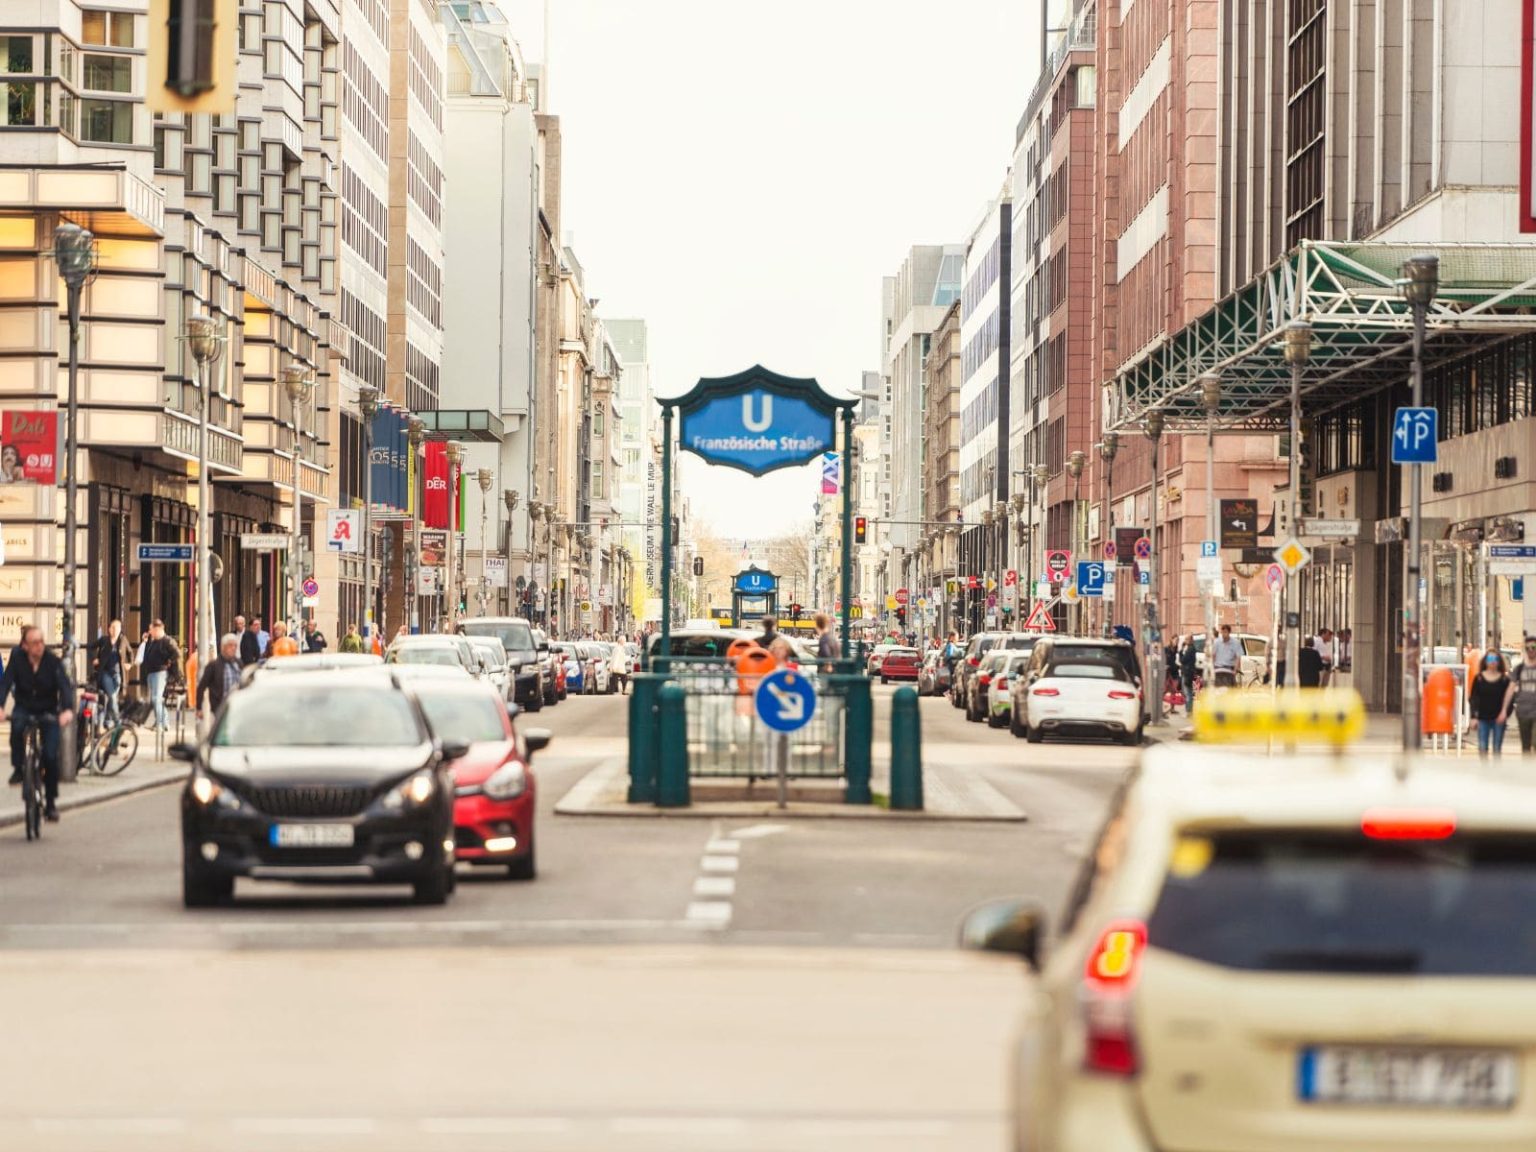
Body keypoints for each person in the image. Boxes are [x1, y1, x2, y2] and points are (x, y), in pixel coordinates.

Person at [1, 626, 76, 822]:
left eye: (41, 641)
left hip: (48, 711)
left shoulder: (52, 661)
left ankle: (50, 804)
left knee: (50, 757)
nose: (39, 646)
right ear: (25, 646)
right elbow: (5, 683)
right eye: (34, 643)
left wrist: (67, 709)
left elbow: (64, 686)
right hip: (24, 707)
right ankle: (19, 768)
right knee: (16, 727)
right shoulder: (17, 659)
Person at [1470, 650, 1517, 758]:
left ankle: (1496, 772)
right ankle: (1484, 771)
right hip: (1482, 718)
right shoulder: (1479, 678)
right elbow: (1474, 698)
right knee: (1482, 747)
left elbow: (1510, 700)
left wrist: (1505, 714)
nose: (1492, 662)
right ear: (1485, 661)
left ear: (1499, 662)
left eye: (1495, 659)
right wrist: (1474, 717)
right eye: (1490, 659)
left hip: (1498, 719)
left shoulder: (1505, 680)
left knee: (1497, 748)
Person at [91, 618, 134, 727]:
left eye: (118, 628)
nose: (115, 630)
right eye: (113, 627)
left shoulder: (123, 640)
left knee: (112, 697)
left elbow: (130, 652)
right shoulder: (104, 640)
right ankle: (117, 721)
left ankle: (107, 721)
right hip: (105, 673)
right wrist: (95, 659)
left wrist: (130, 663)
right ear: (109, 629)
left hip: (118, 674)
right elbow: (91, 647)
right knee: (112, 697)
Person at [195, 633, 243, 725]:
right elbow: (201, 687)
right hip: (220, 707)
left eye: (235, 646)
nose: (233, 648)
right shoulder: (214, 665)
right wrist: (199, 708)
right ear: (223, 647)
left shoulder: (238, 663)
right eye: (230, 645)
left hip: (238, 705)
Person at [139, 619, 175, 732]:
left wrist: (168, 662)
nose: (149, 631)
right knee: (157, 699)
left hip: (159, 673)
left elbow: (176, 653)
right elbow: (146, 654)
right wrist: (145, 641)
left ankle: (159, 724)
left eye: (151, 629)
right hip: (152, 673)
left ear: (157, 629)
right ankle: (164, 722)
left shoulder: (166, 641)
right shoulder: (154, 641)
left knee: (156, 699)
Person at [1512, 637, 1536, 754]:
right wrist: (1503, 710)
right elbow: (1510, 690)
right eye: (1528, 648)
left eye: (1533, 647)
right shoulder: (1519, 669)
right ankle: (1528, 771)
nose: (1531, 650)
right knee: (1525, 747)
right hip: (1523, 712)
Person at [1211, 624, 1243, 688]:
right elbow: (1213, 656)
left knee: (1230, 692)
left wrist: (1235, 670)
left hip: (1229, 670)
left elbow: (1238, 657)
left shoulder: (1235, 643)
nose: (1223, 634)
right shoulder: (1217, 642)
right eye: (1222, 632)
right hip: (1218, 669)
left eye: (1225, 632)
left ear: (1229, 632)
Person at [1179, 636, 1199, 713]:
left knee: (1187, 692)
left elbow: (1183, 660)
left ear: (1191, 640)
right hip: (1188, 672)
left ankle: (1189, 710)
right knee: (1187, 691)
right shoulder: (1190, 648)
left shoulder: (1190, 649)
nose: (1185, 641)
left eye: (1187, 639)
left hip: (1187, 673)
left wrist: (1181, 652)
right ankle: (1189, 709)